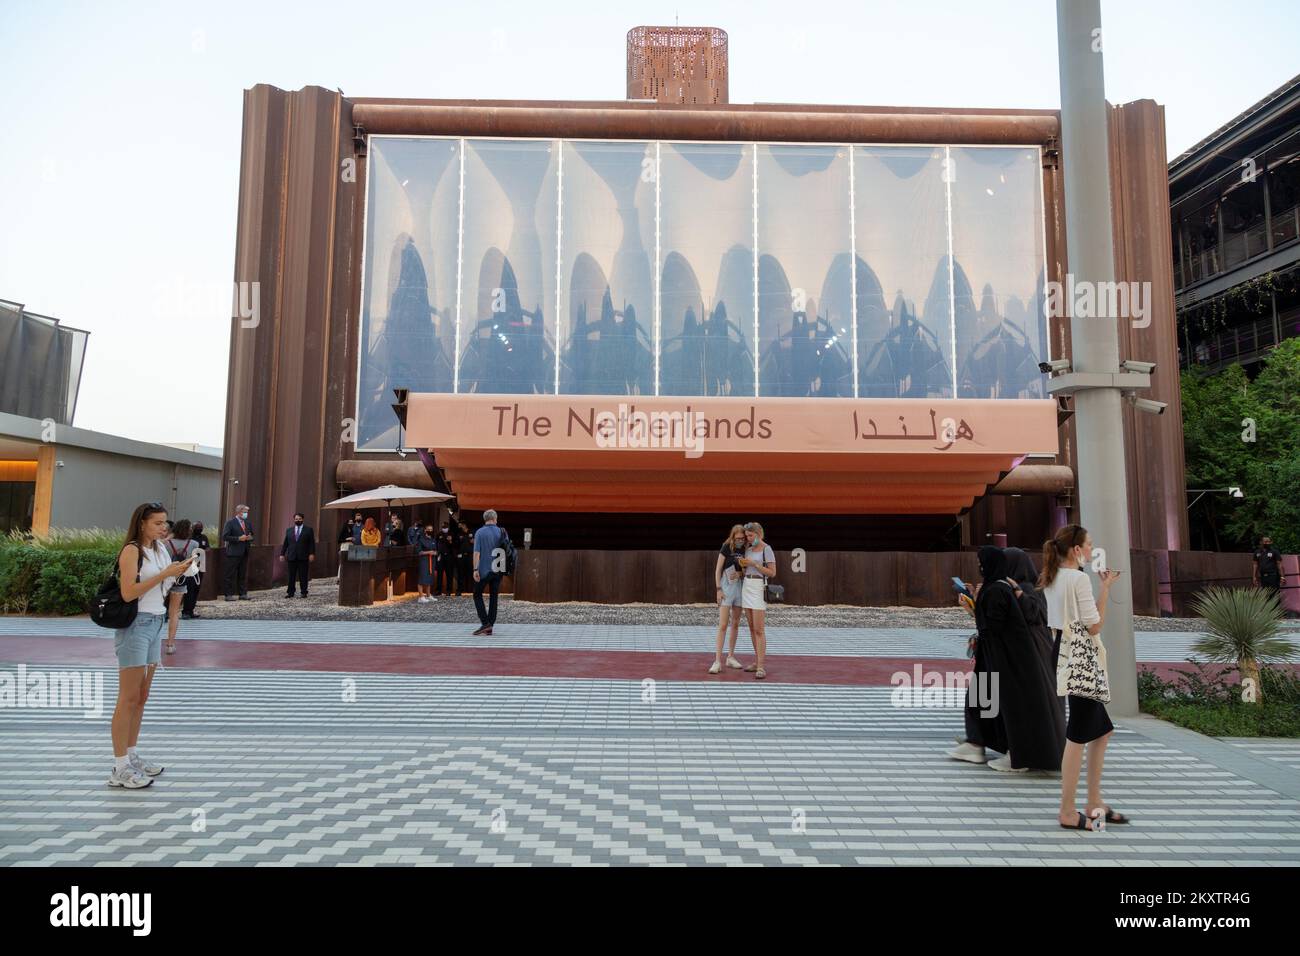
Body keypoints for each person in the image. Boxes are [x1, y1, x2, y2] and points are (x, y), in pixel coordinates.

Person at [948, 546, 1065, 772]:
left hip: (1024, 658)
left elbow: (1029, 617)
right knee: (985, 697)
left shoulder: (1028, 589)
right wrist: (975, 603)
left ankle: (1016, 752)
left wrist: (1018, 594)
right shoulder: (1007, 588)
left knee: (1016, 704)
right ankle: (977, 742)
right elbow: (994, 621)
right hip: (1004, 654)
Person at [1040, 524, 1126, 831]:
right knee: (1078, 736)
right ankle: (1067, 810)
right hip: (1080, 659)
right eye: (1088, 545)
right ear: (1076, 550)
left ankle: (1093, 801)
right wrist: (1106, 588)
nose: (1091, 550)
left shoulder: (1053, 577)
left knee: (1102, 731)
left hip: (1063, 653)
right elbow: (1095, 626)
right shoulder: (1077, 579)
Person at [108, 502, 195, 788]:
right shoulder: (132, 550)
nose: (163, 527)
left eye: (164, 523)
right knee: (128, 697)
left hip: (156, 622)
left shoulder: (160, 549)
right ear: (142, 523)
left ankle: (132, 755)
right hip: (136, 625)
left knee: (142, 695)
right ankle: (119, 766)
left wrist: (179, 572)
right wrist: (163, 574)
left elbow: (162, 586)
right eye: (157, 523)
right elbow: (129, 592)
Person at [736, 522, 776, 679]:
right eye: (747, 536)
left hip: (759, 587)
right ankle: (756, 661)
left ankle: (761, 666)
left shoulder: (767, 549)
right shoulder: (749, 550)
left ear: (759, 534)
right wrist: (744, 566)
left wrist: (755, 564)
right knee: (752, 627)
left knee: (759, 629)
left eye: (751, 536)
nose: (748, 539)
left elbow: (772, 572)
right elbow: (747, 568)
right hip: (747, 585)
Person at [708, 524, 747, 674]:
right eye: (737, 538)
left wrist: (740, 574)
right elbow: (718, 569)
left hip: (739, 587)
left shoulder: (745, 549)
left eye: (742, 539)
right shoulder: (726, 547)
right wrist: (718, 589)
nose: (740, 541)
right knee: (723, 624)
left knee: (735, 623)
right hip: (726, 587)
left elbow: (747, 569)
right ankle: (717, 660)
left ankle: (730, 656)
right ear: (733, 537)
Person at [163, 520, 202, 654]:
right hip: (181, 580)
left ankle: (153, 642)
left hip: (164, 579)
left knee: (158, 611)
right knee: (174, 613)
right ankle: (170, 644)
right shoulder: (194, 544)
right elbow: (196, 565)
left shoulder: (166, 544)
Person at [471, 509, 508, 635]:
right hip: (498, 569)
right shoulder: (502, 531)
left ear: (485, 519)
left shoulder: (480, 532)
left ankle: (485, 623)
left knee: (477, 594)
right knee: (494, 596)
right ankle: (490, 625)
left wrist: (475, 569)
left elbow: (477, 553)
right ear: (495, 518)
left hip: (484, 569)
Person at [221, 504, 255, 600]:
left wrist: (250, 538)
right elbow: (225, 537)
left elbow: (252, 535)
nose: (246, 514)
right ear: (239, 512)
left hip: (245, 551)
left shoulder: (248, 523)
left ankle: (242, 594)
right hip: (233, 553)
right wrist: (238, 538)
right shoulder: (230, 522)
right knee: (230, 574)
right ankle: (228, 595)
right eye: (245, 512)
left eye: (247, 512)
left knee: (242, 574)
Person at [279, 512, 316, 598]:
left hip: (303, 556)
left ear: (302, 519)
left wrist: (312, 553)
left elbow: (311, 543)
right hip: (291, 556)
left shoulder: (309, 530)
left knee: (303, 575)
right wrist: (282, 554)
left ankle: (304, 592)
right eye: (296, 519)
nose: (297, 520)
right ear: (294, 520)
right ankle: (290, 592)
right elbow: (285, 543)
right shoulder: (289, 530)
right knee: (291, 576)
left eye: (299, 519)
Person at [183, 522, 207, 619]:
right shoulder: (190, 539)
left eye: (200, 527)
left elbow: (207, 548)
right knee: (188, 589)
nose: (199, 528)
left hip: (200, 565)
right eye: (197, 527)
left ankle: (190, 610)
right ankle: (185, 611)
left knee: (196, 588)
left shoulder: (204, 537)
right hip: (189, 566)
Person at [415, 522, 440, 603]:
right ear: (425, 530)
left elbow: (436, 550)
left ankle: (428, 595)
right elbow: (419, 552)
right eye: (428, 529)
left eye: (431, 530)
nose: (430, 531)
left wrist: (435, 553)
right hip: (424, 561)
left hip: (432, 560)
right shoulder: (421, 539)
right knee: (422, 578)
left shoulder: (433, 540)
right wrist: (429, 552)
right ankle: (421, 596)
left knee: (429, 577)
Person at [436, 528, 456, 597]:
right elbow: (436, 544)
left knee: (449, 574)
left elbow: (454, 546)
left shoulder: (452, 534)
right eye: (443, 527)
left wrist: (450, 541)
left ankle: (449, 590)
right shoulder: (439, 534)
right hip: (441, 556)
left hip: (449, 556)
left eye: (446, 527)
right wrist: (437, 553)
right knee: (439, 574)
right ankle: (438, 590)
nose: (444, 528)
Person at [457, 522, 474, 596]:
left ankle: (472, 590)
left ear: (464, 525)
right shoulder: (459, 533)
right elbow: (456, 544)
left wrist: (474, 541)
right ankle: (459, 590)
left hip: (470, 555)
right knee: (460, 573)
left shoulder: (472, 532)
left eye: (460, 524)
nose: (459, 526)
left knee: (471, 573)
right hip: (462, 555)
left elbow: (477, 541)